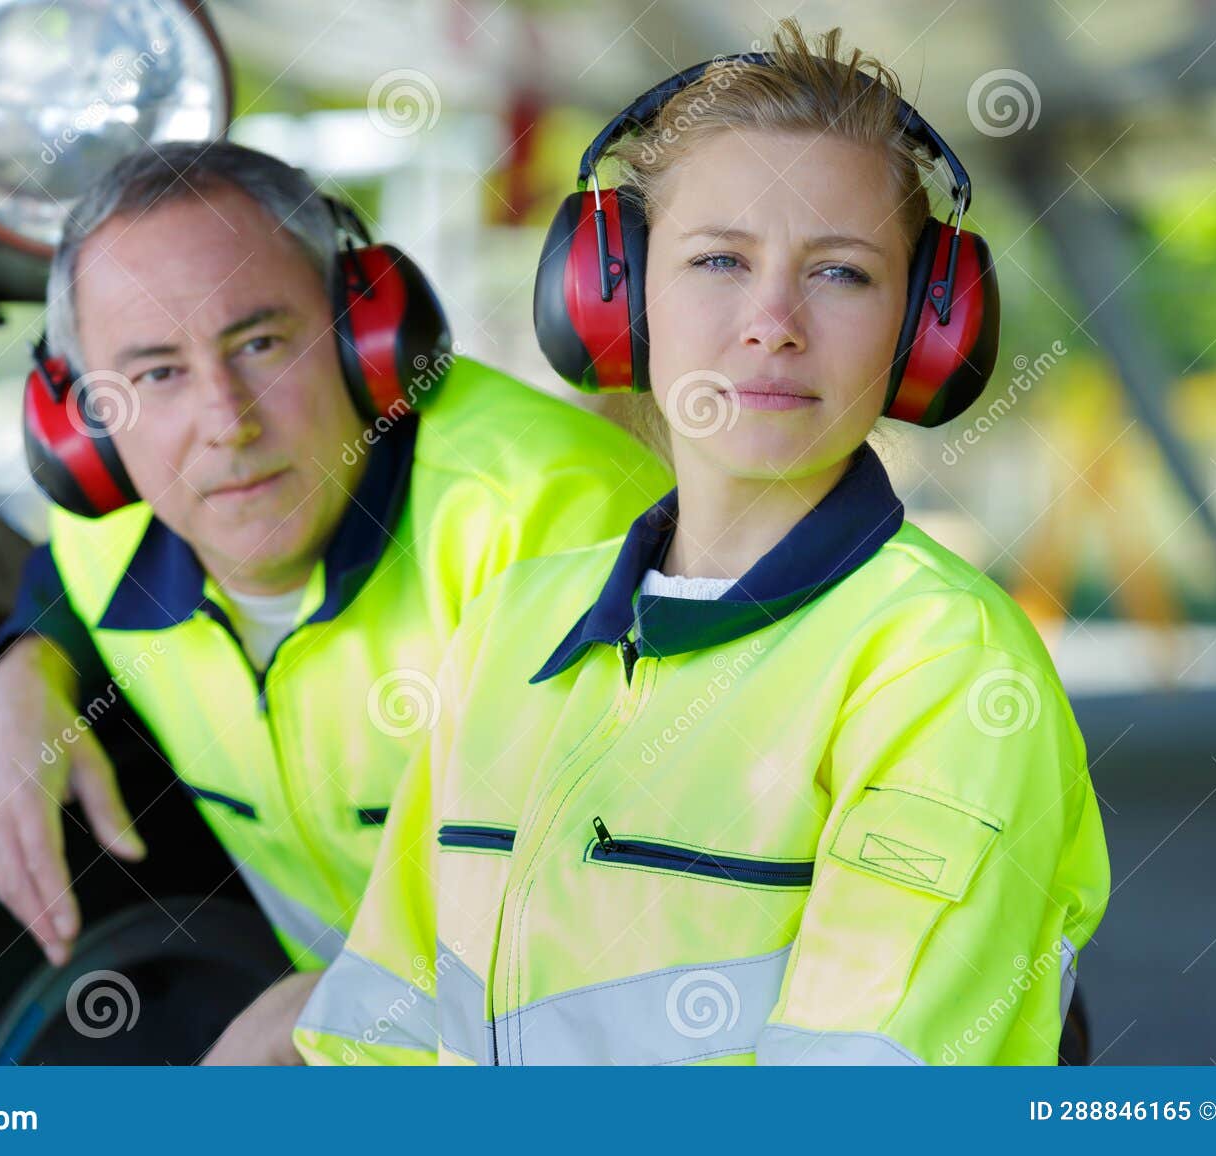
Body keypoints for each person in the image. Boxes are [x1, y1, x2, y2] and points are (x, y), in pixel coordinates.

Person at [293, 21, 1110, 1066]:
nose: (773, 321)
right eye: (719, 258)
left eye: (843, 274)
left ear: (925, 332)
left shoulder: (944, 668)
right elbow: (381, 1029)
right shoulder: (513, 622)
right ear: (616, 300)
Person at [0, 141, 673, 1063]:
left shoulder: (556, 521)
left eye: (260, 343)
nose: (227, 421)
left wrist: (341, 1002)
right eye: (156, 374)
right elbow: (64, 581)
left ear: (368, 335)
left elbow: (636, 897)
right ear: (82, 428)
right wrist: (25, 673)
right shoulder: (104, 535)